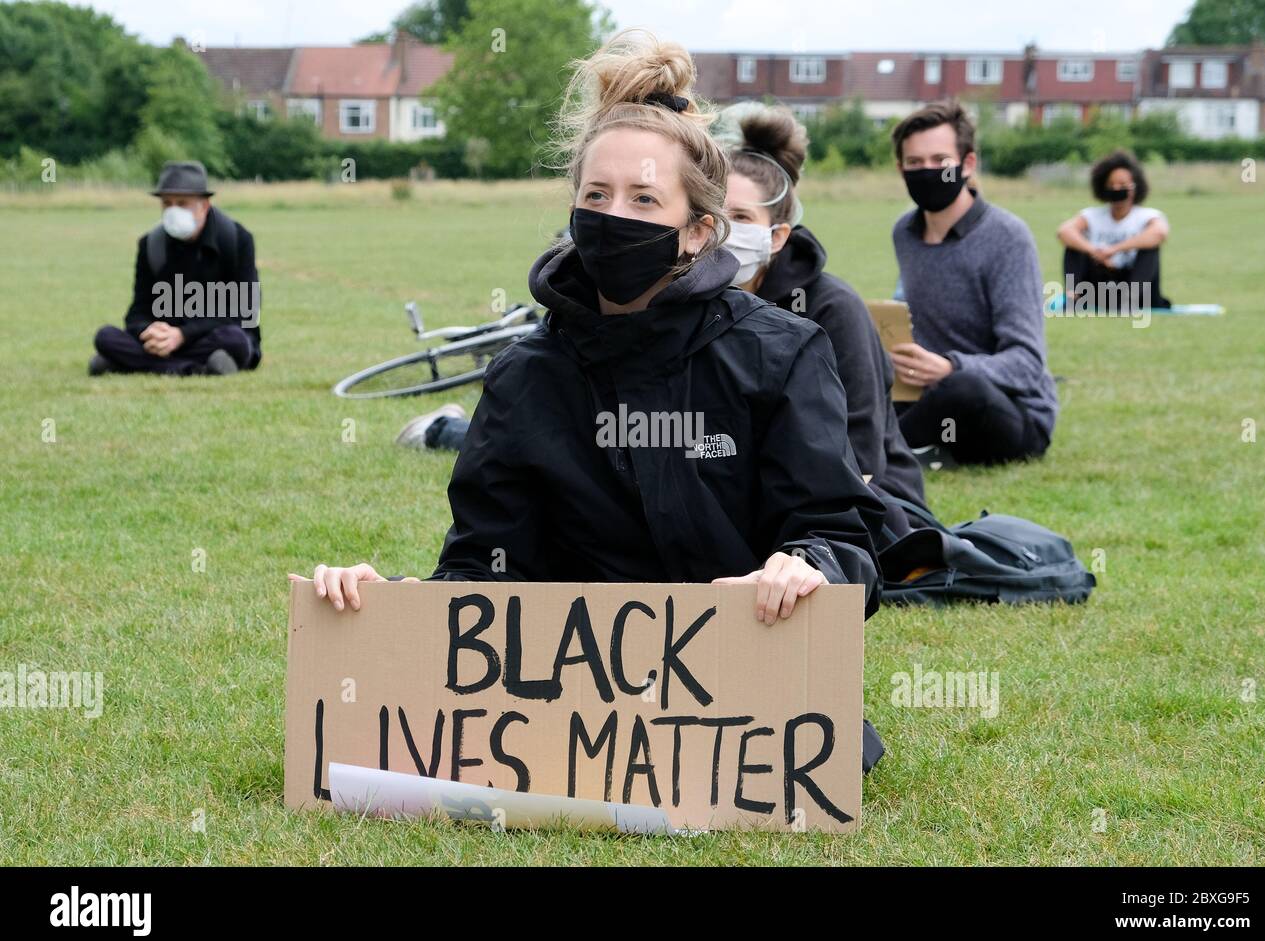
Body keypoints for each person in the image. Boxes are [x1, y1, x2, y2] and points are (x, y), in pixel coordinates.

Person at [295, 31, 884, 629]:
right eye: (596, 195)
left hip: (744, 700)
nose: (613, 216)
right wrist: (386, 598)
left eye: (645, 199)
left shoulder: (782, 354)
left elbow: (842, 541)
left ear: (698, 232)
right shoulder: (524, 377)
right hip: (579, 701)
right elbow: (483, 573)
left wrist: (811, 564)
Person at [716, 102, 927, 542]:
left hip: (861, 494)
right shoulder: (699, 302)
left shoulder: (835, 308)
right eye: (715, 217)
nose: (723, 232)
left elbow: (861, 453)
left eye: (741, 218)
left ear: (777, 236)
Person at [889, 101, 1057, 467]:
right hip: (928, 394)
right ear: (900, 169)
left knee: (963, 388)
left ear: (967, 165)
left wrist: (951, 367)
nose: (927, 171)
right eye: (915, 163)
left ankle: (884, 450)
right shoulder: (904, 232)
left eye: (940, 160)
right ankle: (907, 446)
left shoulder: (1007, 236)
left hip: (1009, 410)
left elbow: (1027, 364)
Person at [90, 161, 261, 376]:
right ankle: (194, 368)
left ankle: (126, 363)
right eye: (167, 204)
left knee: (236, 340)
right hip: (166, 340)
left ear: (204, 205)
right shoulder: (150, 245)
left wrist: (183, 335)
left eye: (182, 203)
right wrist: (148, 330)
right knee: (105, 336)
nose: (173, 211)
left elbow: (244, 312)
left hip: (211, 335)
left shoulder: (237, 240)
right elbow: (137, 313)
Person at [1057, 149, 1171, 310]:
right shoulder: (1092, 216)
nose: (1117, 189)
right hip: (1101, 283)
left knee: (1150, 249)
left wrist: (1114, 249)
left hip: (1134, 281)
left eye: (1123, 185)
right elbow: (1064, 232)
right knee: (1074, 246)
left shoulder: (1147, 216)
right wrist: (1095, 251)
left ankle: (1131, 300)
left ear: (1135, 187)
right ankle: (1073, 298)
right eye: (1112, 185)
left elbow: (1159, 234)